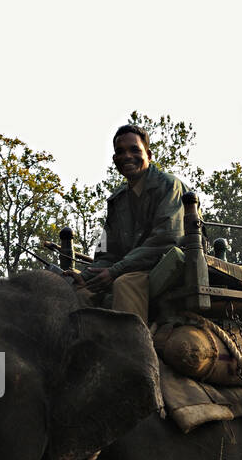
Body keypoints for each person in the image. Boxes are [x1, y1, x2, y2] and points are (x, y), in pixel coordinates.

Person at [72, 124, 187, 324]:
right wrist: (84, 276)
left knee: (125, 284)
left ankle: (132, 353)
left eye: (134, 149)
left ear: (148, 155)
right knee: (79, 292)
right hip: (128, 268)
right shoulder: (117, 200)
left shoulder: (170, 185)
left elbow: (167, 239)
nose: (127, 156)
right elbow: (106, 253)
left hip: (169, 265)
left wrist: (116, 271)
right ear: (114, 159)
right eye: (120, 152)